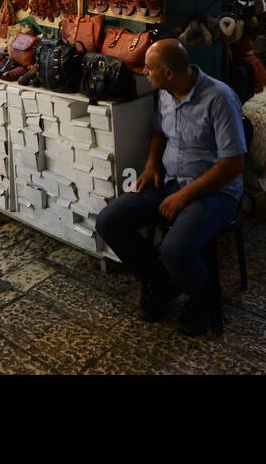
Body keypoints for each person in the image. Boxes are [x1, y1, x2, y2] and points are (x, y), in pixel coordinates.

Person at [94, 39, 246, 335]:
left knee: (175, 249)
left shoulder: (219, 99)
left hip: (215, 192)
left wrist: (185, 196)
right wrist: (151, 165)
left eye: (148, 69)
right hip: (172, 182)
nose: (143, 73)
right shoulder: (166, 93)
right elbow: (159, 131)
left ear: (168, 73)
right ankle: (163, 283)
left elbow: (233, 164)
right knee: (110, 221)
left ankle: (201, 300)